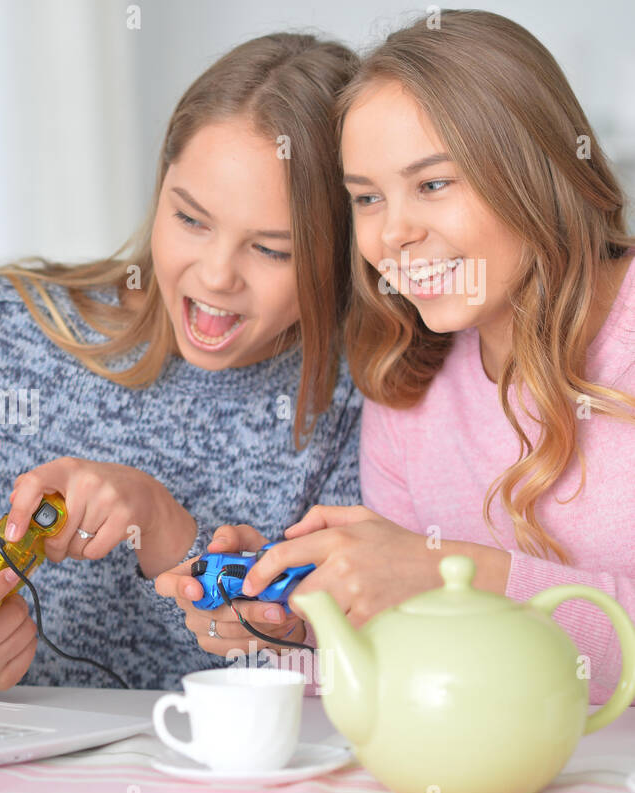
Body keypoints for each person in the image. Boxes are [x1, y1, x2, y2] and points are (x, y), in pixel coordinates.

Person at [0, 33, 363, 690]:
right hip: (0, 780)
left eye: (272, 251)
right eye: (190, 219)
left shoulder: (359, 401)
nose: (215, 276)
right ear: (161, 188)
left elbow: (337, 678)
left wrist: (169, 535)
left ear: (341, 256)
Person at [239, 10, 635, 706]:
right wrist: (289, 629)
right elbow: (416, 677)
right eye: (366, 197)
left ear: (534, 167)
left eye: (433, 184)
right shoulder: (406, 383)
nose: (393, 232)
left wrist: (456, 573)